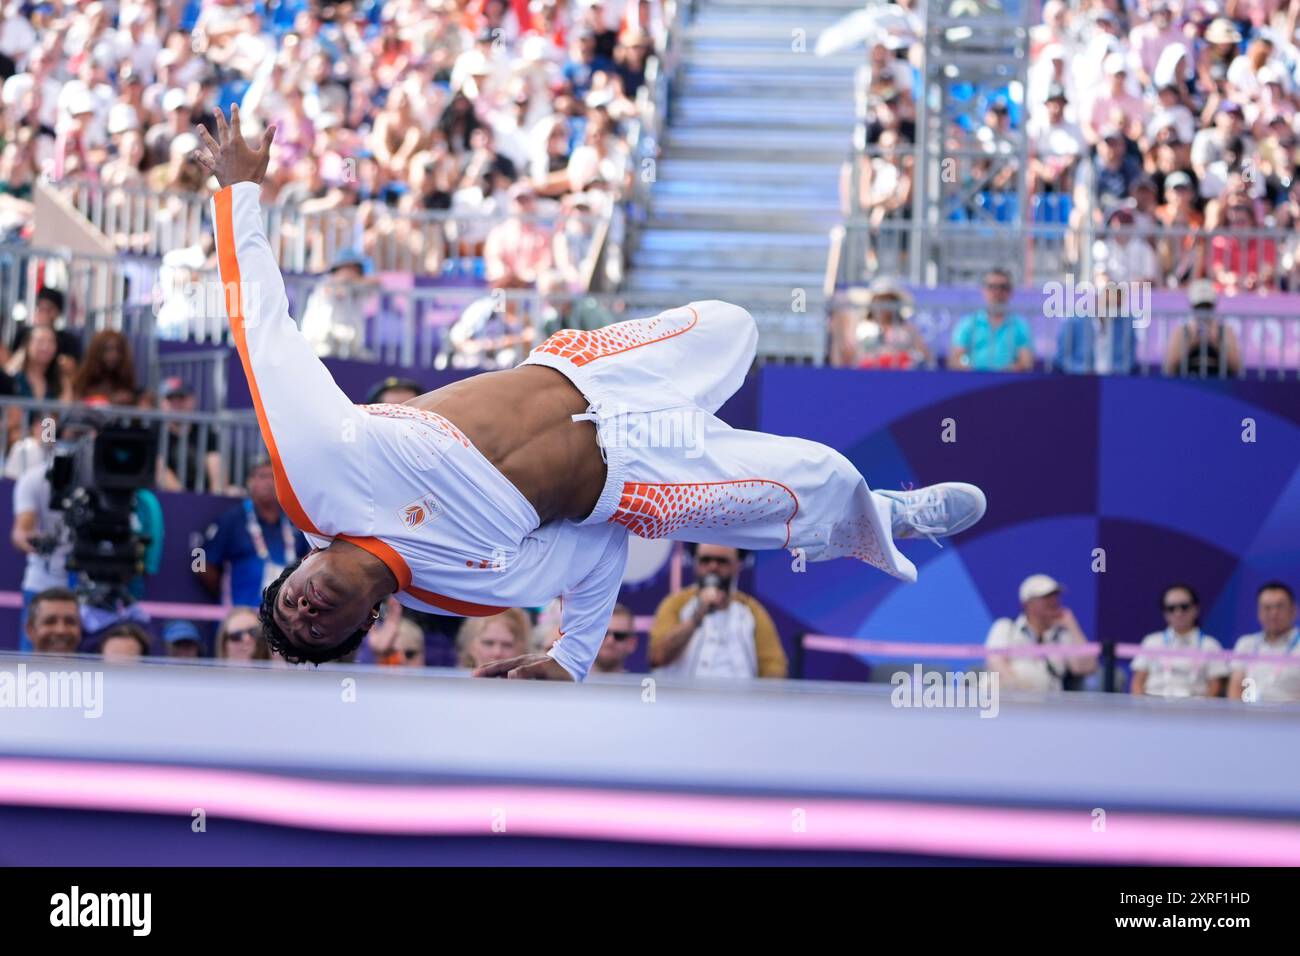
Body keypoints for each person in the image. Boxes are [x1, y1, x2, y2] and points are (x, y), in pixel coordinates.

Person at [194, 108, 986, 680]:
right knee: (824, 478)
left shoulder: (313, 476)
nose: (301, 612)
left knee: (734, 326)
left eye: (288, 604)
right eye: (314, 630)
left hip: (591, 372)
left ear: (295, 570)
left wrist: (238, 193)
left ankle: (794, 488)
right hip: (635, 478)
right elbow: (596, 552)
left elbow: (261, 329)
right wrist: (571, 660)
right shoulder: (468, 592)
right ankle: (890, 516)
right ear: (367, 626)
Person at [649, 545, 786, 680]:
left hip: (740, 700)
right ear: (696, 564)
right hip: (685, 700)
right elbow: (657, 657)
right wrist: (698, 615)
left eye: (722, 561)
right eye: (705, 560)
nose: (713, 567)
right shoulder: (676, 604)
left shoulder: (752, 611)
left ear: (737, 565)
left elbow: (774, 667)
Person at [196, 459, 309, 608]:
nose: (269, 483)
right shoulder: (231, 519)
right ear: (250, 482)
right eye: (262, 476)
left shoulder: (295, 521)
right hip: (240, 618)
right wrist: (222, 592)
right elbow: (200, 561)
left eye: (274, 477)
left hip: (283, 618)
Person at [985, 574, 1097, 692]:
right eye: (1045, 597)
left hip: (1048, 705)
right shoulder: (1006, 627)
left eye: (1055, 596)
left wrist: (1073, 627)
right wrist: (1019, 690)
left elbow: (1086, 668)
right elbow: (995, 662)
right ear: (1027, 603)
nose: (1053, 601)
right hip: (1008, 699)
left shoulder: (1062, 635)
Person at [11, 456, 74, 651]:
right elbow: (20, 532)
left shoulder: (101, 476)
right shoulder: (34, 479)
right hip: (42, 583)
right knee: (32, 663)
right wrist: (32, 540)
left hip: (89, 582)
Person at [1130, 585, 1229, 698]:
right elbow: (1137, 683)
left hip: (1195, 708)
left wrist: (1203, 712)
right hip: (1153, 706)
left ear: (1196, 609)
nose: (1178, 613)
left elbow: (1215, 686)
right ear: (1165, 613)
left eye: (1184, 607)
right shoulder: (1151, 641)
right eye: (1171, 608)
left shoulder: (1210, 645)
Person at [947, 268, 1034, 371]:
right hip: (974, 383)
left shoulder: (1020, 325)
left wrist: (1001, 376)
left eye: (1003, 287)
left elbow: (1026, 362)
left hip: (1009, 383)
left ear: (1010, 292)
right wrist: (977, 375)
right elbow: (954, 360)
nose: (997, 292)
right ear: (983, 290)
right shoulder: (968, 323)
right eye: (992, 287)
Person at [1229, 582, 1300, 703]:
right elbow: (1235, 688)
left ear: (1294, 610)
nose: (1273, 613)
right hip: (1249, 716)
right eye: (1267, 608)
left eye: (1280, 607)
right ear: (1259, 612)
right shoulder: (1246, 644)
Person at [1163, 279, 1242, 377]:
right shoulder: (1182, 331)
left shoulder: (1225, 331)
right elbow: (1169, 368)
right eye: (1200, 307)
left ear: (1214, 306)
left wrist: (1215, 342)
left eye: (1207, 307)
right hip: (1189, 383)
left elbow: (1236, 367)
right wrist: (1192, 343)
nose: (1203, 313)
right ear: (1192, 306)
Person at [456, 608, 531, 670]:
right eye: (488, 643)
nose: (497, 653)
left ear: (521, 649)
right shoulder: (453, 686)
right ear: (471, 647)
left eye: (507, 645)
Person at [24, 586, 82, 656]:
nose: (61, 630)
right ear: (30, 630)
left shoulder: (95, 667)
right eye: (50, 622)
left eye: (70, 622)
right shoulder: (21, 667)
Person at [591, 603, 638, 675]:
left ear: (632, 644)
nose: (610, 641)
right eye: (603, 634)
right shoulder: (570, 683)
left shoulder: (641, 685)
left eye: (619, 635)